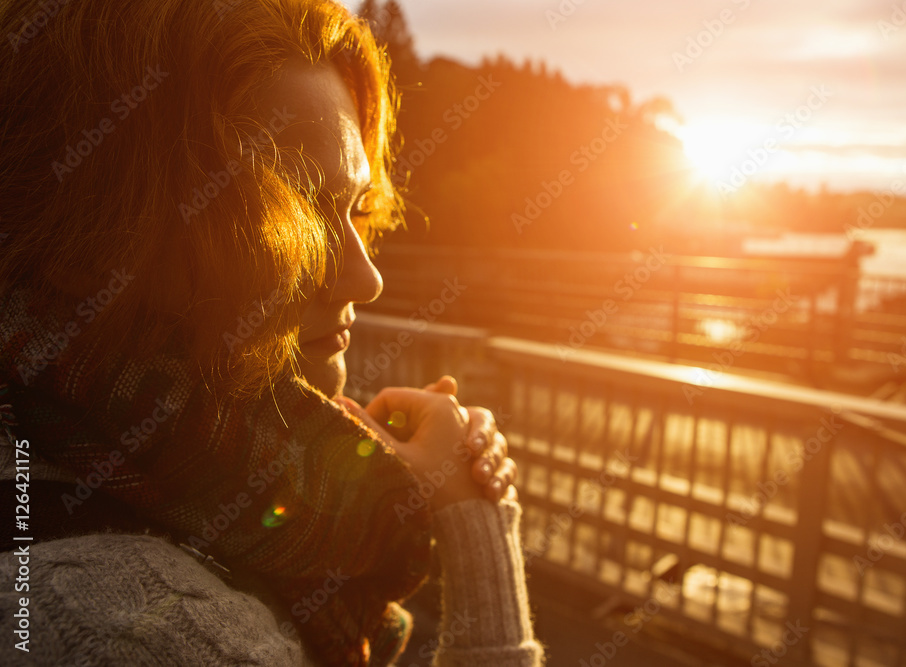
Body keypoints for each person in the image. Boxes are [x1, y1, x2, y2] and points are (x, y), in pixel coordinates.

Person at [0, 0, 543, 665]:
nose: (365, 277)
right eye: (292, 214)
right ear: (90, 237)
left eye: (355, 209)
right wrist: (477, 529)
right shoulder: (147, 631)